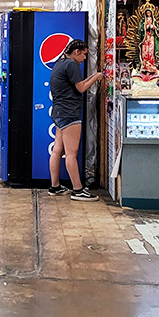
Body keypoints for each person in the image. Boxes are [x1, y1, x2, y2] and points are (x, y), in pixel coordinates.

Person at [48, 38, 104, 201]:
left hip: (59, 112)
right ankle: (78, 190)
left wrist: (93, 75)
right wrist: (96, 78)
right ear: (77, 52)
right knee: (71, 153)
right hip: (70, 113)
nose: (85, 59)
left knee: (58, 150)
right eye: (84, 55)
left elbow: (76, 84)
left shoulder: (61, 62)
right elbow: (81, 88)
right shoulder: (72, 65)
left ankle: (55, 186)